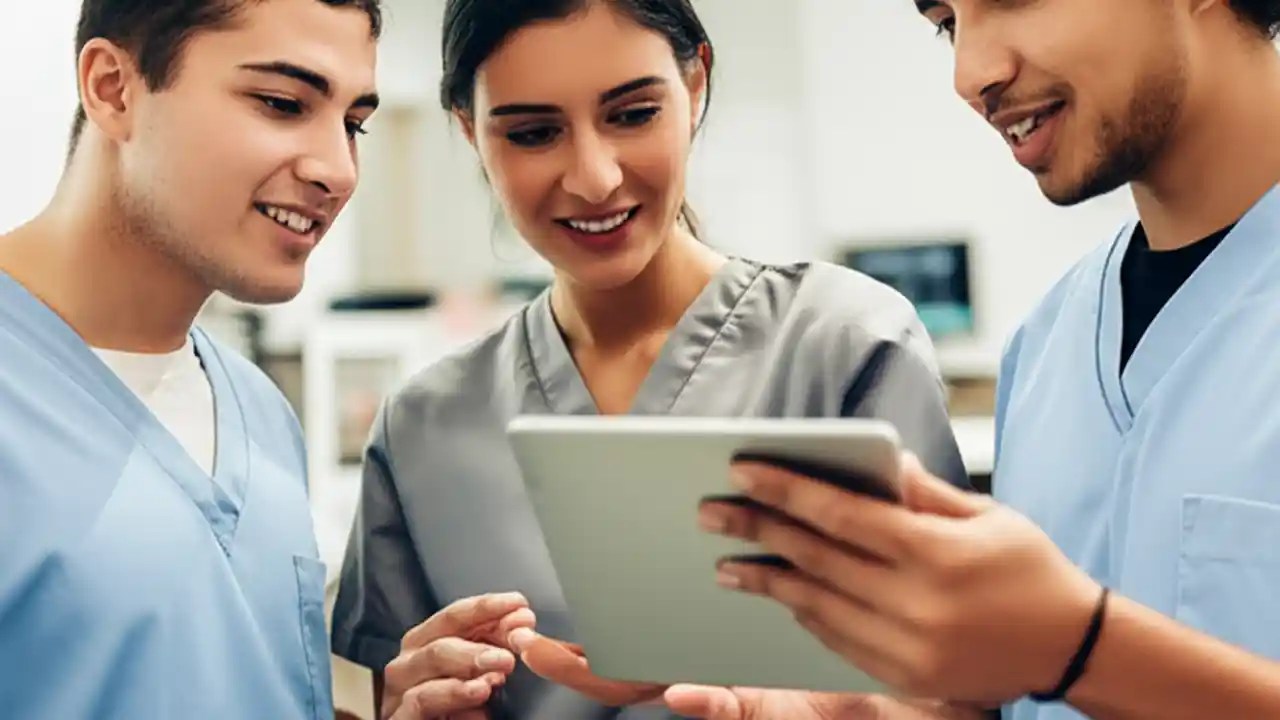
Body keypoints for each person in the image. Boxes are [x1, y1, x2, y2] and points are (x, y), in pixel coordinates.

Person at [329, 0, 971, 718]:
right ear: (468, 131)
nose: (595, 178)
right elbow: (382, 690)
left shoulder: (846, 348)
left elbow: (954, 694)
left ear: (694, 85)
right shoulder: (423, 429)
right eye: (535, 133)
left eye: (632, 114)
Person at [669, 0, 1280, 719]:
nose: (971, 74)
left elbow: (1067, 654)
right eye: (948, 24)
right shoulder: (1049, 342)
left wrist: (1082, 648)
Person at [0, 0, 381, 717]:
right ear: (114, 88)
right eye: (281, 102)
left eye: (354, 124)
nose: (339, 169)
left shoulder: (260, 413)